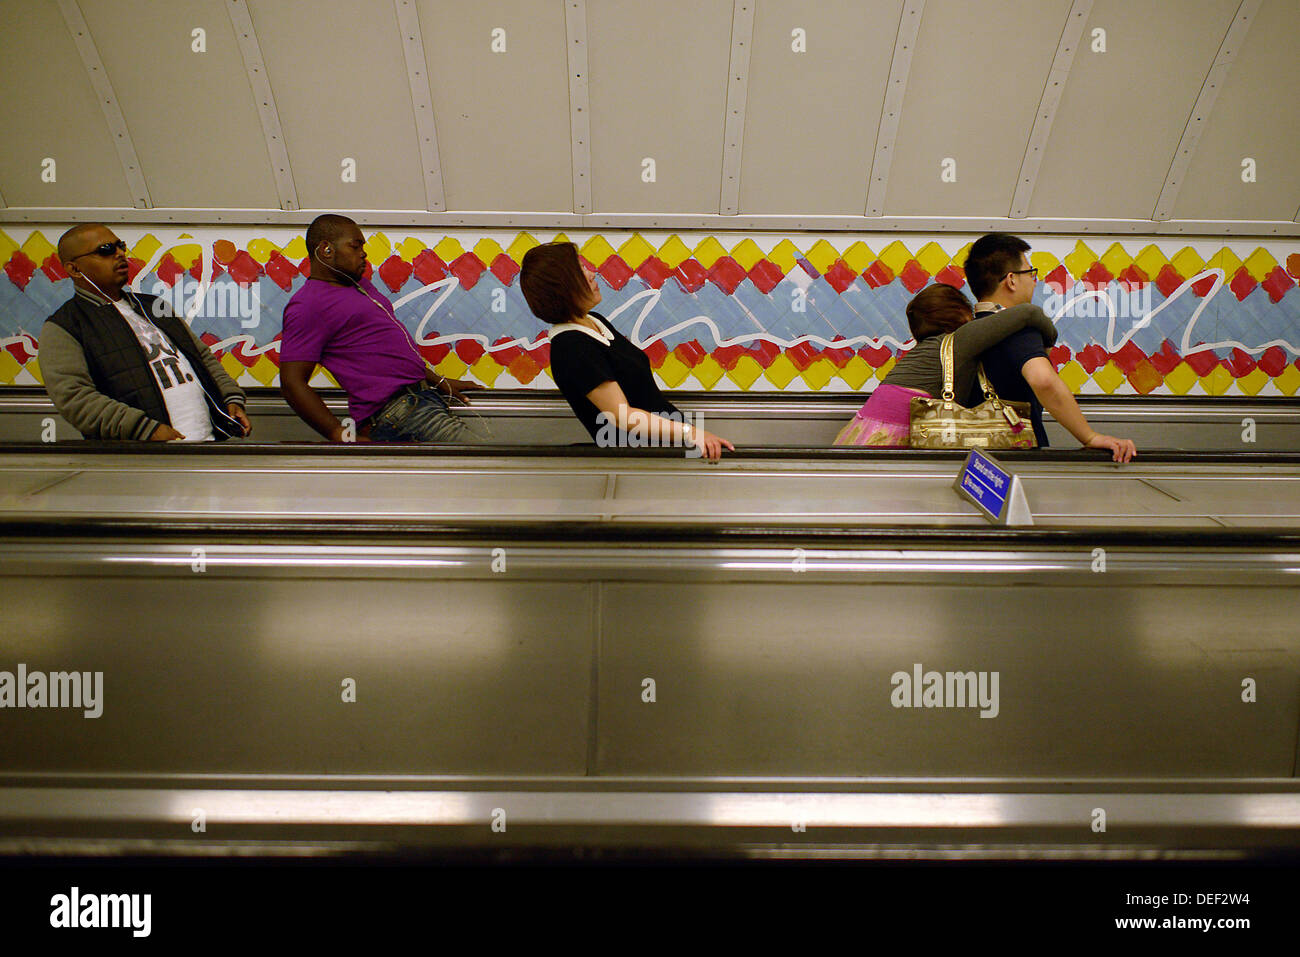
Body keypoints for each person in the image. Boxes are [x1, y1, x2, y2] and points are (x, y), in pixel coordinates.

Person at [518, 241, 733, 461]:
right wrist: (691, 433)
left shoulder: (595, 322)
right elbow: (622, 416)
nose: (591, 274)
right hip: (641, 461)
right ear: (562, 287)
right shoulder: (571, 346)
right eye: (579, 270)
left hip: (666, 446)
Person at [279, 214, 484, 442]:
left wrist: (436, 380)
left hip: (421, 399)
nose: (363, 253)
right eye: (355, 246)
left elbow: (389, 351)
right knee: (490, 467)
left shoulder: (360, 286)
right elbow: (291, 382)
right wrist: (339, 434)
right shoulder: (308, 304)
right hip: (399, 413)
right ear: (326, 250)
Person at [40, 224, 251, 441]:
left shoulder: (154, 306)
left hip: (210, 444)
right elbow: (75, 398)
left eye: (120, 246)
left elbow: (201, 356)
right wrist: (145, 429)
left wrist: (230, 399)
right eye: (106, 250)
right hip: (142, 459)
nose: (120, 254)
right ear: (74, 269)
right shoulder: (65, 326)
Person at [963, 233, 1135, 462]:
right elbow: (1043, 380)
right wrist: (1089, 437)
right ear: (1011, 280)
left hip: (972, 461)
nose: (1035, 281)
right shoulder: (1018, 327)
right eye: (1030, 273)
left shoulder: (964, 331)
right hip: (1017, 460)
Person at [836, 283, 1059, 447]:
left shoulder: (925, 350)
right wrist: (1048, 342)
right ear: (961, 312)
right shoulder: (959, 340)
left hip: (867, 429)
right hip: (899, 434)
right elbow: (1028, 313)